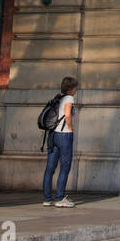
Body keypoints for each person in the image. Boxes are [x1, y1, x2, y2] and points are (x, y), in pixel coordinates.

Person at [43, 76, 78, 207]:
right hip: (64, 135)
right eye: (75, 88)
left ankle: (47, 199)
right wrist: (70, 128)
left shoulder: (57, 97)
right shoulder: (69, 98)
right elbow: (67, 114)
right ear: (70, 89)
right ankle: (59, 198)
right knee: (64, 167)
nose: (76, 90)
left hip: (53, 135)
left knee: (50, 168)